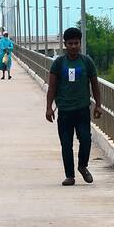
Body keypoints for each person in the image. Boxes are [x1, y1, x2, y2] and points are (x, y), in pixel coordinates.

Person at [45, 27, 102, 186]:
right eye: (70, 43)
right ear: (65, 44)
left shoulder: (86, 62)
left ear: (80, 43)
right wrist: (49, 107)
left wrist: (98, 105)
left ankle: (82, 166)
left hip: (82, 109)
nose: (73, 46)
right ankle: (69, 175)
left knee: (86, 140)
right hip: (64, 111)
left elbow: (95, 85)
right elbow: (52, 87)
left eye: (76, 43)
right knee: (66, 144)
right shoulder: (58, 63)